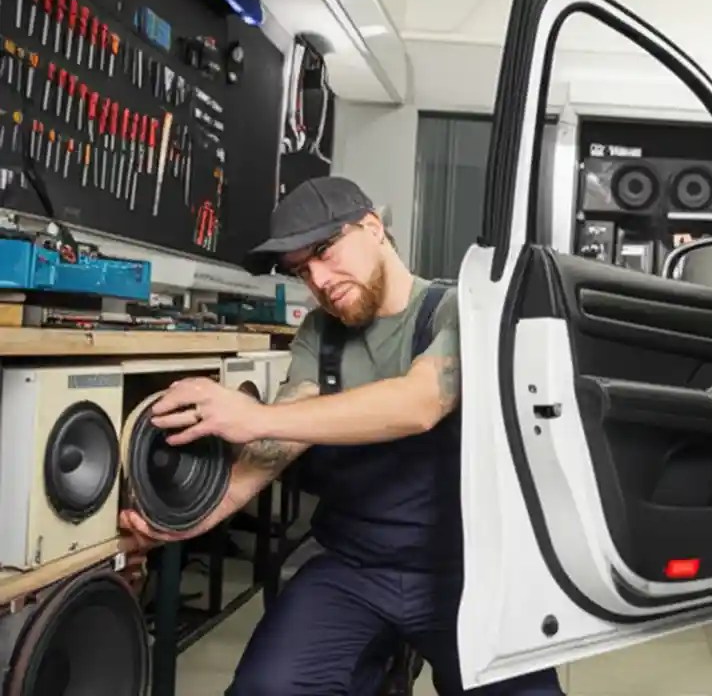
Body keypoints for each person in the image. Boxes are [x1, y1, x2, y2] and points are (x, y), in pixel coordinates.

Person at [118, 176, 563, 696]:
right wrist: (179, 524)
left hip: (463, 574)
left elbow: (420, 403)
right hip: (354, 567)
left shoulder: (458, 309)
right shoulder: (320, 334)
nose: (320, 280)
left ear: (373, 228)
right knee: (267, 689)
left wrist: (252, 416)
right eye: (302, 271)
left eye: (326, 253)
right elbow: (273, 449)